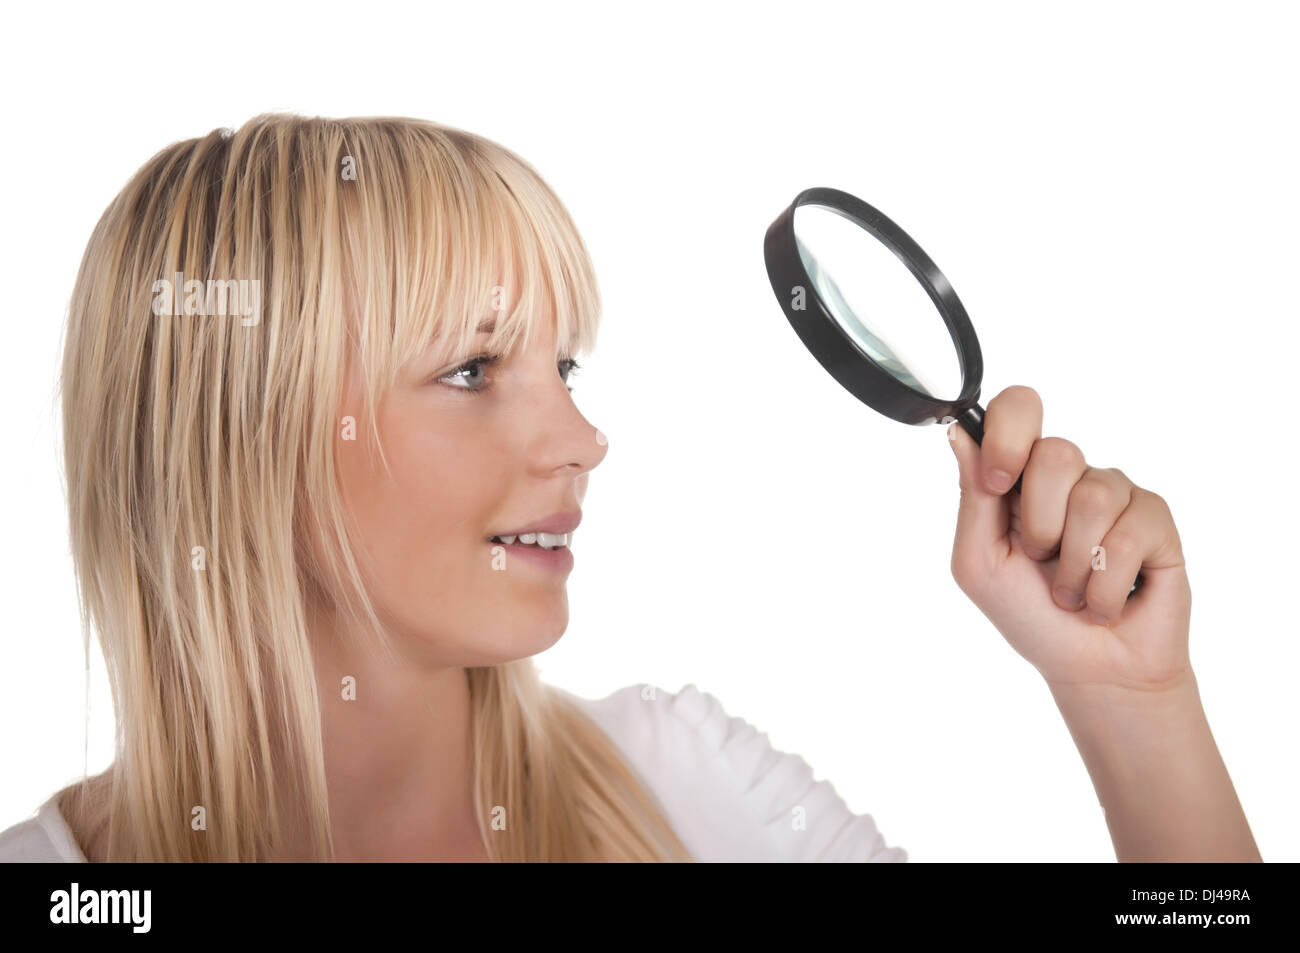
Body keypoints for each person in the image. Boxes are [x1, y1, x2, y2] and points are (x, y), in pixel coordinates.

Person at [0, 114, 1260, 862]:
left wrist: (1131, 701)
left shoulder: (681, 785)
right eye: (471, 366)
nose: (582, 436)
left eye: (564, 363)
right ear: (238, 438)